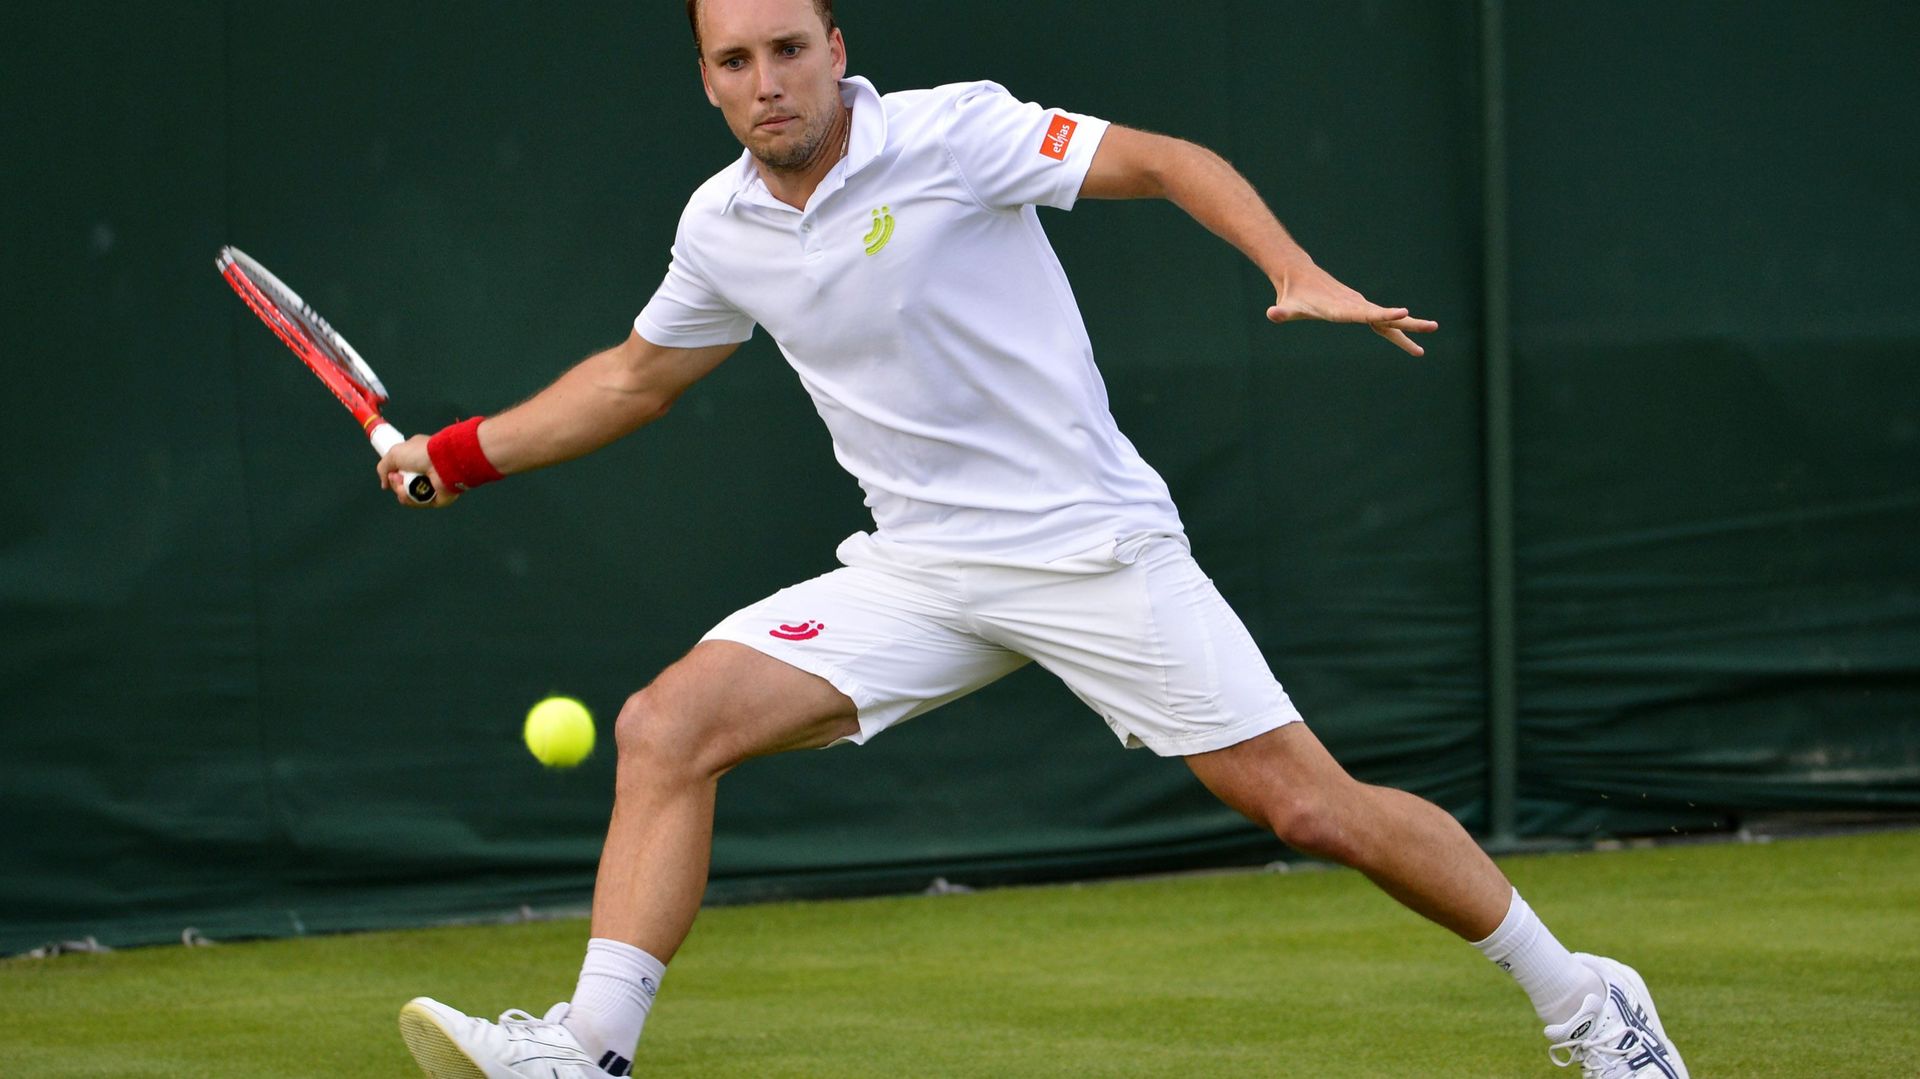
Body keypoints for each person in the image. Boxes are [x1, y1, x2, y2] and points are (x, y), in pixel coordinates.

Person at [384, 1, 1686, 1076]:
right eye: (736, 60)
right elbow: (632, 380)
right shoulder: (720, 228)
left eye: (789, 49)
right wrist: (453, 458)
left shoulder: (960, 135)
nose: (768, 81)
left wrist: (1291, 268)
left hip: (1089, 549)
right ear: (710, 82)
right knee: (667, 726)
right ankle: (589, 1053)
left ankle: (1586, 1000)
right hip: (920, 568)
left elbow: (1169, 160)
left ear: (838, 48)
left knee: (1308, 807)